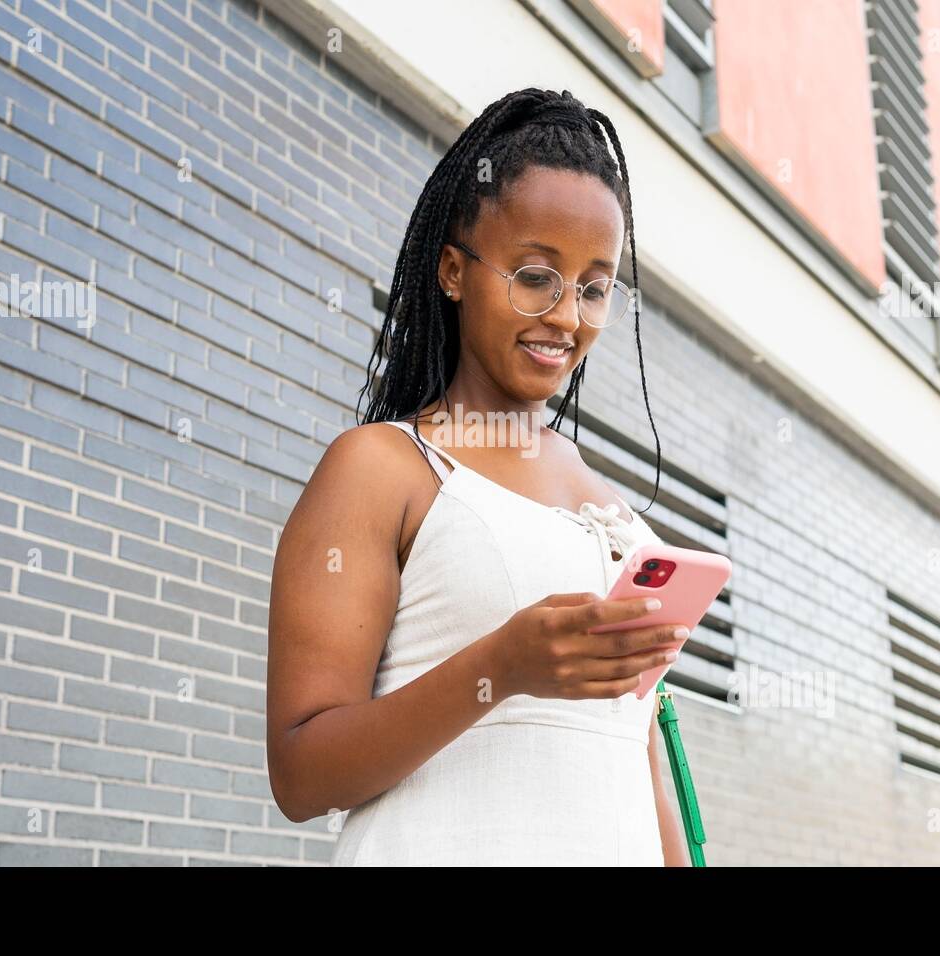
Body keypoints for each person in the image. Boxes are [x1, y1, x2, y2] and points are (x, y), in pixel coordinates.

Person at [265, 88, 691, 865]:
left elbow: (639, 763)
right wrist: (502, 665)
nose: (567, 316)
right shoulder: (383, 468)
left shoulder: (615, 512)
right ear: (454, 271)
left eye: (594, 288)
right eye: (535, 276)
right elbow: (300, 772)